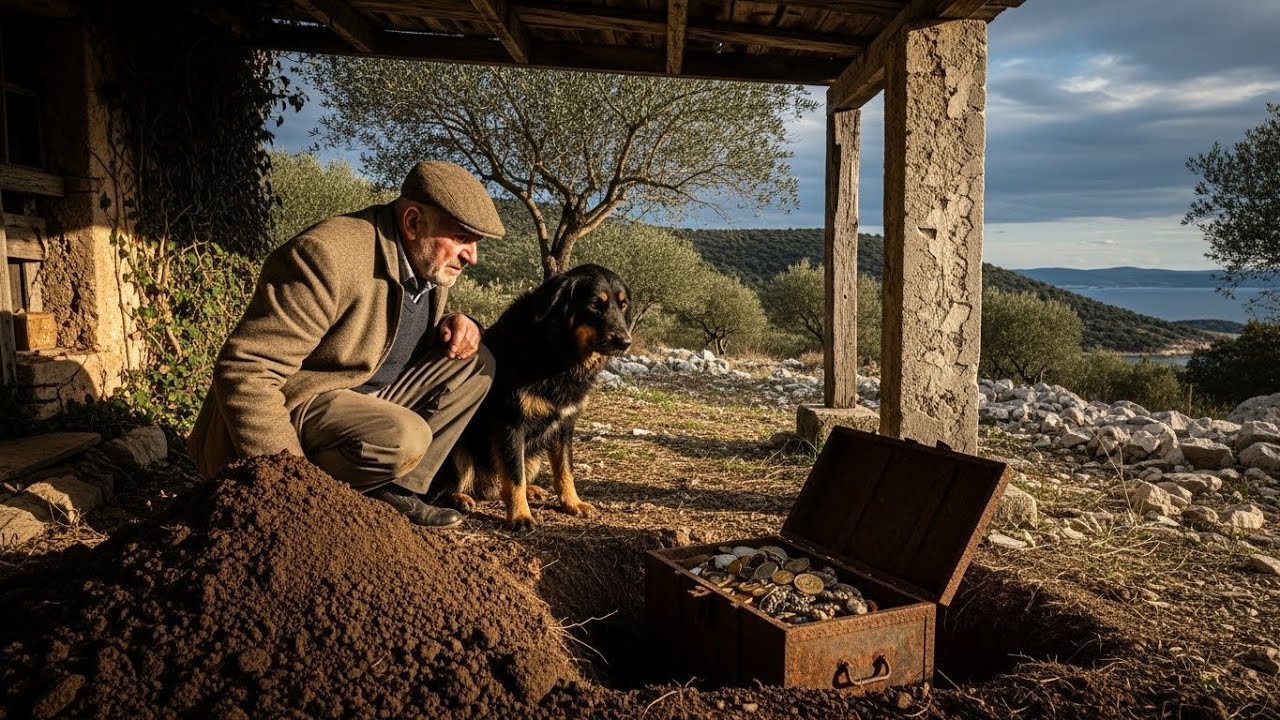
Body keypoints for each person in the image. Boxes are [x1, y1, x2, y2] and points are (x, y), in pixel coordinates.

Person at [188, 161, 504, 528]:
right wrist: (287, 485)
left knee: (477, 364)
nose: (472, 257)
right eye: (462, 239)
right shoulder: (325, 255)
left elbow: (386, 329)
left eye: (475, 243)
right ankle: (324, 493)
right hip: (298, 406)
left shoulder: (423, 258)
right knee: (406, 437)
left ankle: (393, 490)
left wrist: (456, 324)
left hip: (364, 399)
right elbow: (248, 369)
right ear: (414, 222)